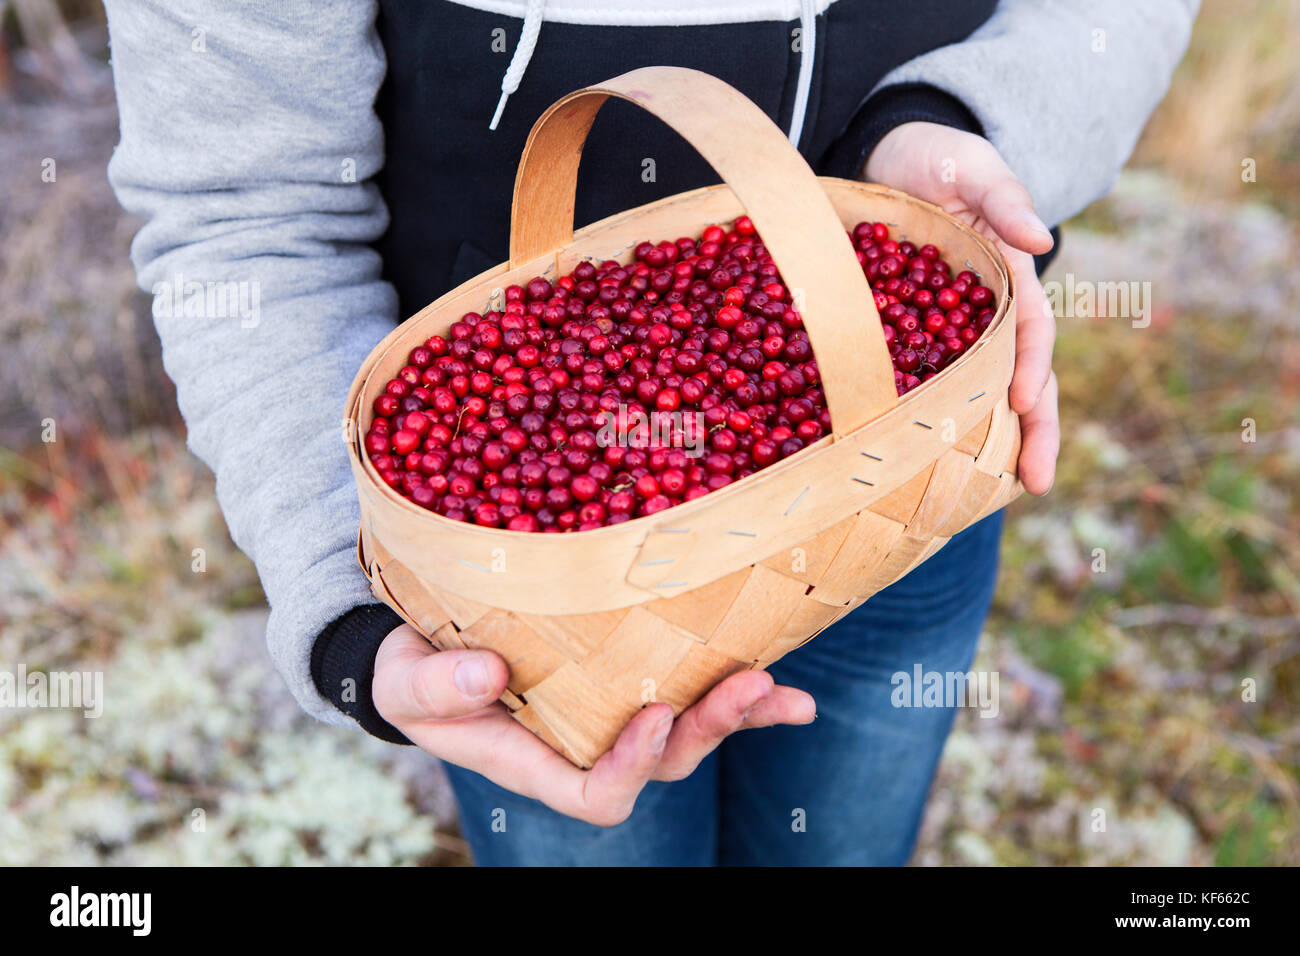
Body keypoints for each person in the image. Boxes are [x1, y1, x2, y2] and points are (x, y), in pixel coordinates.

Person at [104, 0, 1197, 865]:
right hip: (538, 603)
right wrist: (349, 600)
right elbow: (248, 215)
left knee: (850, 841)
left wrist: (964, 121)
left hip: (904, 476)